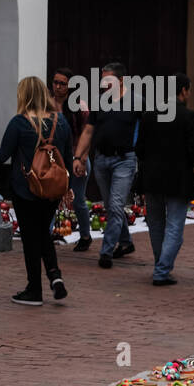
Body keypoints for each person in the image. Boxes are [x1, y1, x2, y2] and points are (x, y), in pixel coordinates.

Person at [0, 76, 74, 306]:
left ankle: (34, 290)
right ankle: (55, 276)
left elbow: (2, 156)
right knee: (43, 232)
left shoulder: (19, 123)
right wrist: (67, 187)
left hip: (26, 189)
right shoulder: (61, 122)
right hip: (52, 188)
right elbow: (68, 158)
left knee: (31, 238)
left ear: (24, 96)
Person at [136, 73, 194, 286]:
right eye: (189, 90)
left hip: (152, 177)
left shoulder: (148, 115)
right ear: (183, 91)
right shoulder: (188, 116)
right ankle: (162, 270)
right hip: (178, 177)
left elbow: (139, 148)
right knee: (174, 225)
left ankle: (160, 265)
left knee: (156, 223)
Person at [72, 62, 136, 269]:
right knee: (111, 205)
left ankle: (106, 251)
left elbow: (148, 132)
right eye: (103, 80)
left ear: (121, 80)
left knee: (116, 205)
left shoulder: (137, 102)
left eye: (108, 80)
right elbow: (88, 131)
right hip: (101, 160)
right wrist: (78, 156)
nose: (105, 84)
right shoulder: (100, 102)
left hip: (124, 160)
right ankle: (125, 242)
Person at [51, 68, 92, 251]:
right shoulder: (47, 104)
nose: (57, 87)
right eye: (55, 82)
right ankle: (48, 233)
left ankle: (85, 235)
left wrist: (82, 159)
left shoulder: (79, 105)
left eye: (62, 83)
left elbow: (87, 133)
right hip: (54, 159)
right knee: (50, 196)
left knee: (78, 200)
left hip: (76, 157)